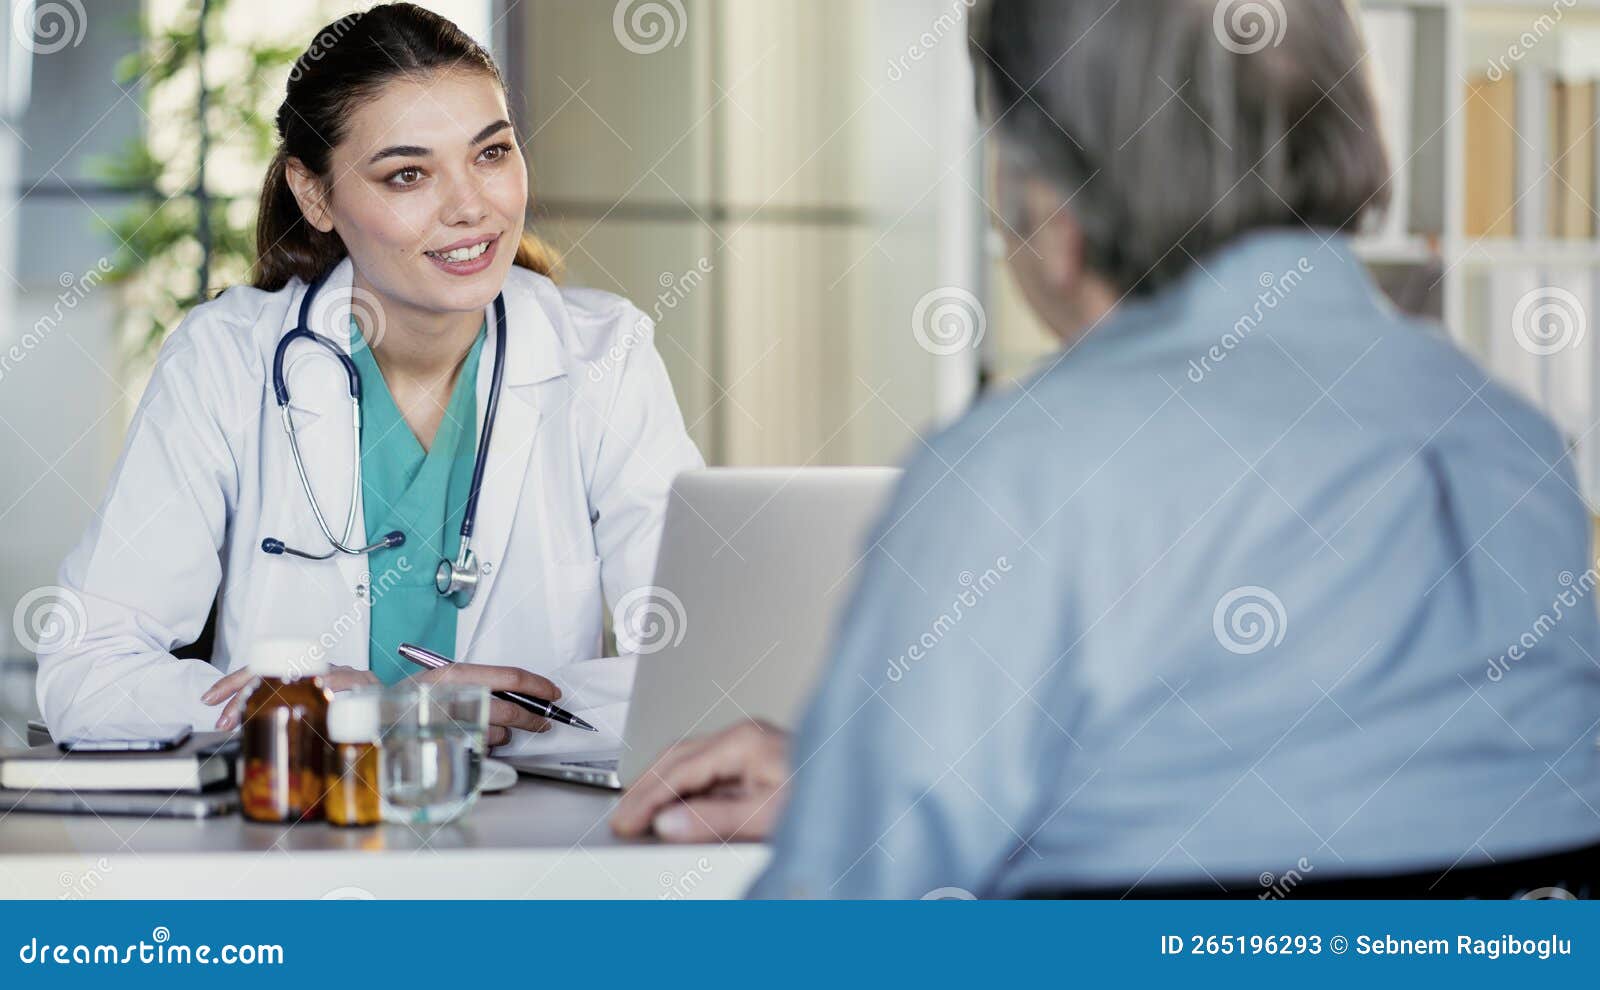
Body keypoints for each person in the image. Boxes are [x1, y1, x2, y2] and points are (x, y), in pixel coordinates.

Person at [615, 0, 1600, 897]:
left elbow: (825, 928)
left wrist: (863, 811)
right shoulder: (1508, 438)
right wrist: (862, 771)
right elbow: (1359, 802)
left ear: (1048, 207)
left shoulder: (1018, 473)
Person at [35, 4, 702, 748]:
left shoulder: (604, 355)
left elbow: (705, 662)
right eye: (407, 174)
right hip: (295, 812)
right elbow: (86, 671)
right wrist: (303, 707)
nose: (471, 207)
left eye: (491, 153)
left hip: (532, 816)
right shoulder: (226, 359)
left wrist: (526, 708)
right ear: (315, 195)